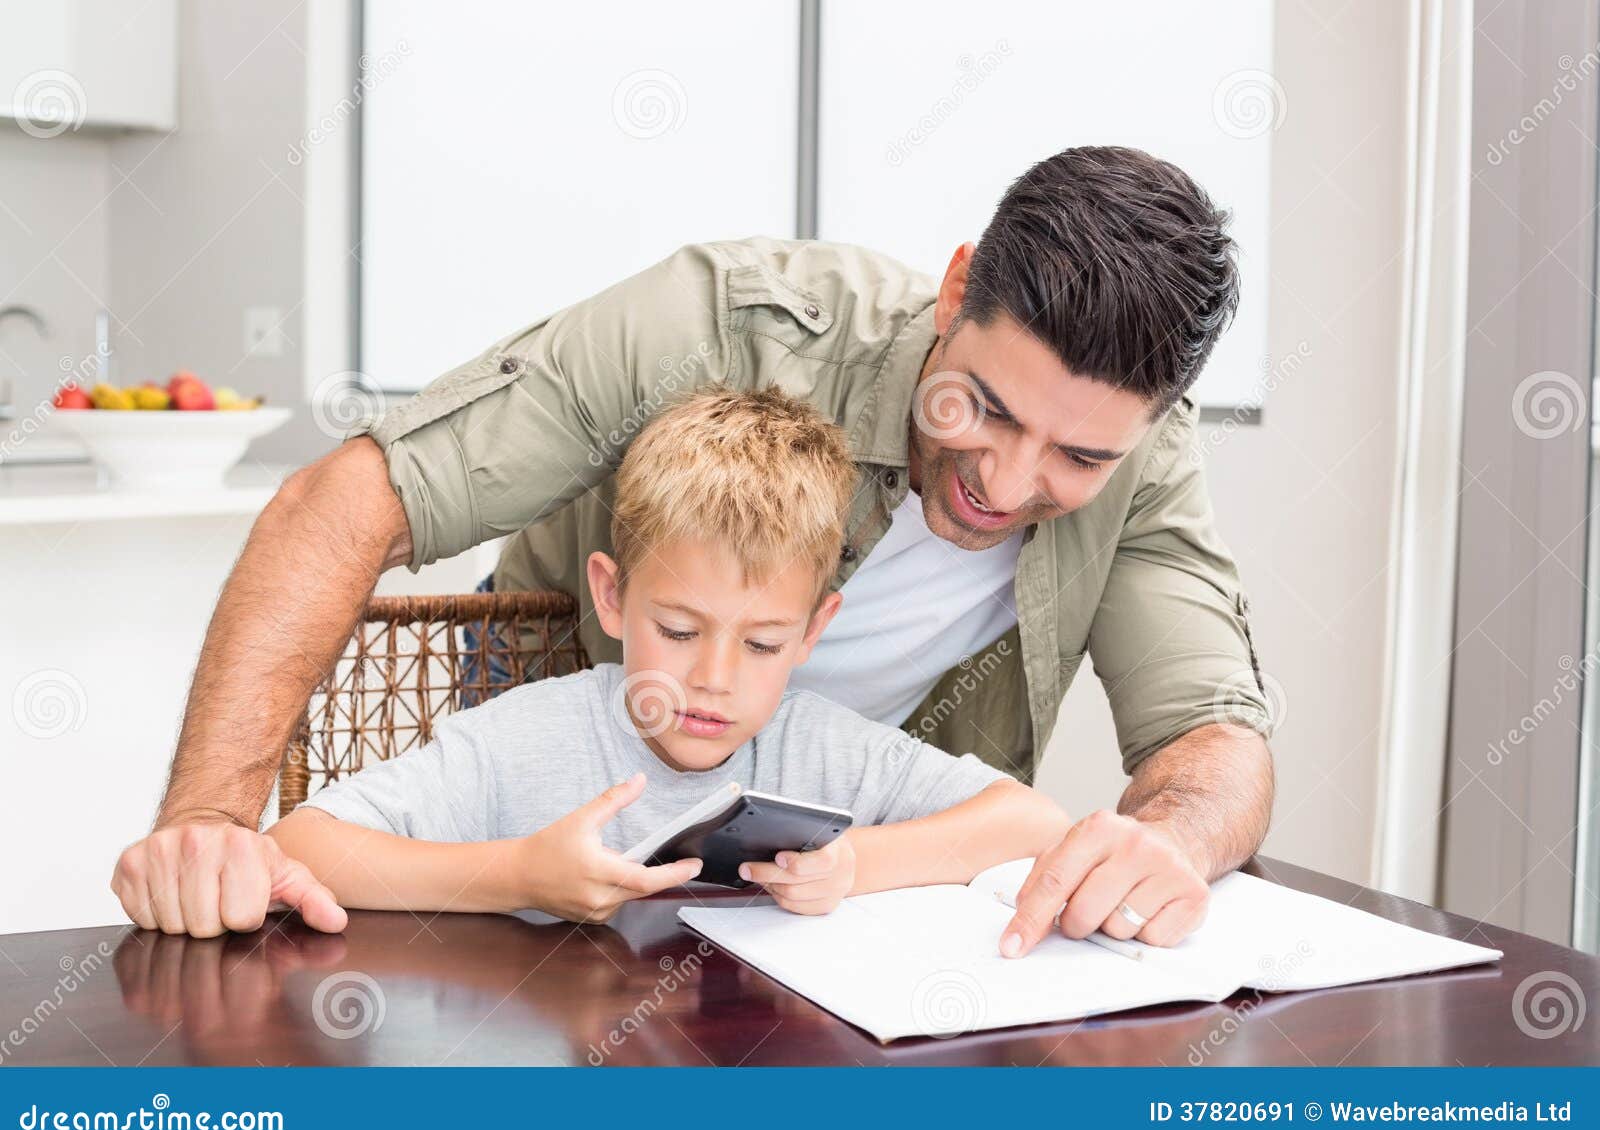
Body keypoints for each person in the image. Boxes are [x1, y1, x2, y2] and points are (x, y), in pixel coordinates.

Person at [112, 145, 1273, 949]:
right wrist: (209, 826)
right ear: (955, 292)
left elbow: (1213, 736)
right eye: (988, 408)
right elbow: (345, 501)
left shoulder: (1151, 466)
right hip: (575, 768)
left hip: (835, 859)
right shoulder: (722, 320)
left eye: (1077, 459)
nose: (1007, 486)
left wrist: (1164, 843)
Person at [264, 388, 1070, 921]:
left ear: (814, 630)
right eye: (680, 631)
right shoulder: (527, 737)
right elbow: (300, 846)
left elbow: (1034, 822)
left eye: (762, 643)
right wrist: (517, 873)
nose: (714, 679)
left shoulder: (817, 743)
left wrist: (854, 862)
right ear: (611, 597)